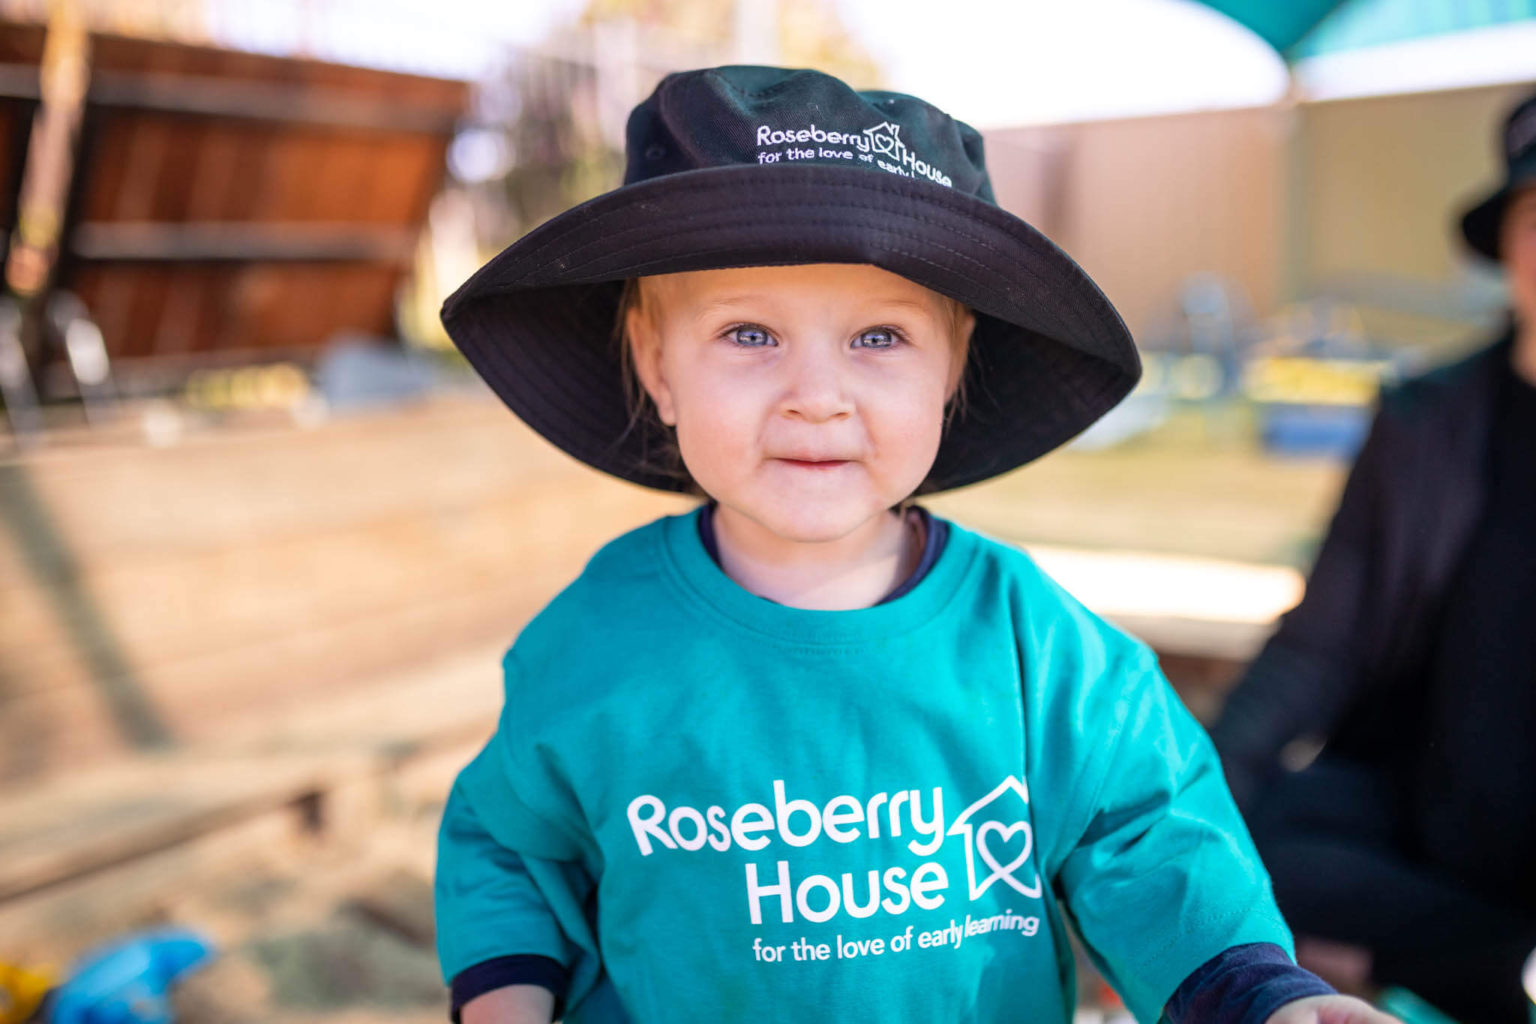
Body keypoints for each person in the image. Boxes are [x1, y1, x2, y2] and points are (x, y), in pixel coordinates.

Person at [432, 65, 1395, 1024]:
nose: (818, 396)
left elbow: (1153, 835)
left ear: (952, 367)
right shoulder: (599, 638)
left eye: (880, 337)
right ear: (657, 365)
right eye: (750, 334)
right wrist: (507, 996)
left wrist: (1257, 998)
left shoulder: (1031, 643)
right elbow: (510, 838)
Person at [1210, 88, 1536, 1024]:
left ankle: (1438, 964)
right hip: (1425, 819)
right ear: (1506, 246)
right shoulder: (1425, 420)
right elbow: (1321, 645)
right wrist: (1196, 797)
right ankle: (1486, 964)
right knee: (1231, 845)